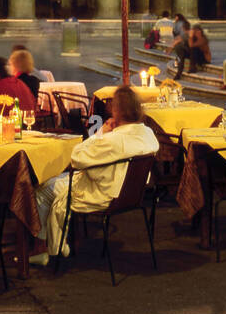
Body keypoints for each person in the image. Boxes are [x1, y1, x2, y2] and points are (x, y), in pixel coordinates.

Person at [32, 85, 159, 264]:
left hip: (103, 195)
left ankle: (43, 247)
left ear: (117, 110)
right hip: (130, 195)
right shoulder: (148, 133)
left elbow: (77, 157)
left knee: (41, 189)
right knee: (56, 183)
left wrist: (101, 133)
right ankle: (55, 241)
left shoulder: (113, 140)